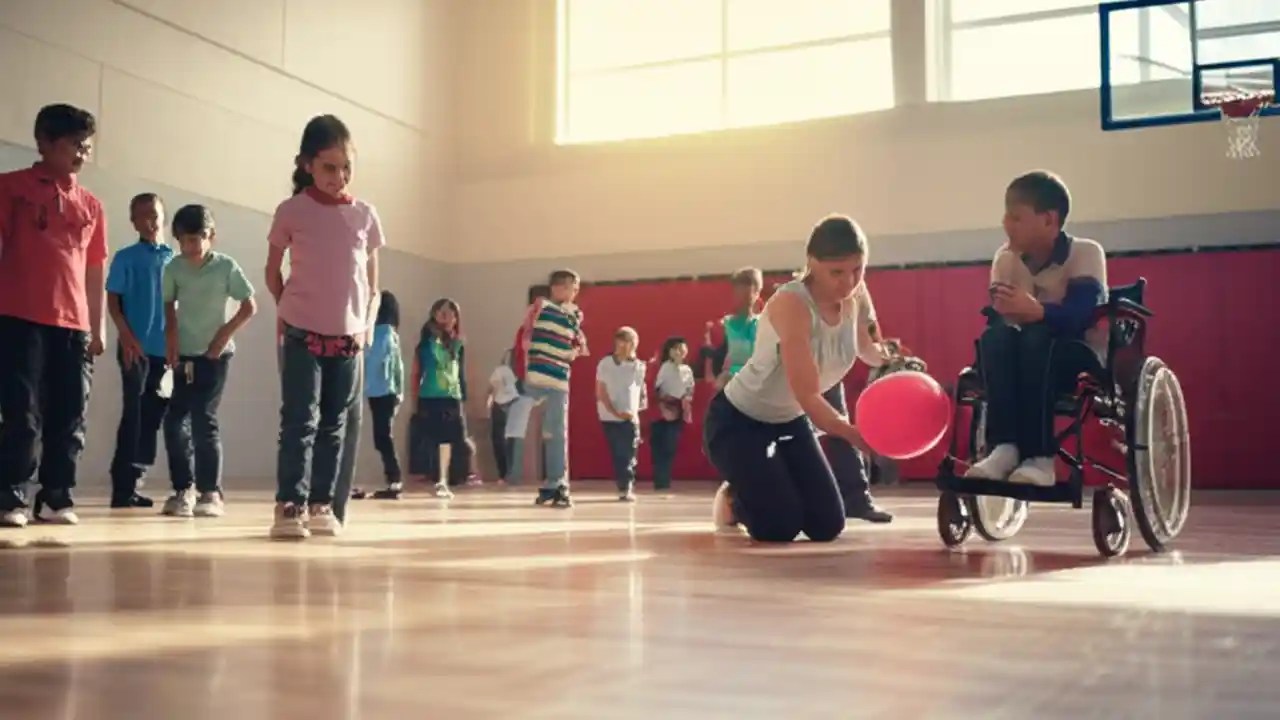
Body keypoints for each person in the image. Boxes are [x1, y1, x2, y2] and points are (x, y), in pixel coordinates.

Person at [703, 215, 898, 543]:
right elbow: (808, 395)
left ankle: (763, 483)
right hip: (738, 423)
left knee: (827, 525)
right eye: (836, 272)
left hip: (789, 423)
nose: (848, 282)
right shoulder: (791, 303)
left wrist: (895, 362)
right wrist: (855, 434)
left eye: (857, 269)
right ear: (811, 263)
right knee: (779, 527)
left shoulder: (857, 295)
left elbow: (868, 349)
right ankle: (736, 499)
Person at [266, 114, 384, 540]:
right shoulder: (291, 211)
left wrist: (363, 325)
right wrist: (292, 309)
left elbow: (372, 283)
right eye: (330, 167)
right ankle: (289, 504)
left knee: (335, 422)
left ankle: (321, 504)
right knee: (300, 419)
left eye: (346, 168)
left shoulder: (365, 215)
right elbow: (271, 271)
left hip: (349, 338)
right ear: (306, 164)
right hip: (301, 334)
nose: (339, 177)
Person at [0, 104, 107, 527]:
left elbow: (96, 267)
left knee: (70, 415)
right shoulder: (11, 188)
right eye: (74, 143)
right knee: (22, 413)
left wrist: (96, 327)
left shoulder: (92, 205)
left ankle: (57, 496)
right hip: (19, 316)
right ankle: (11, 496)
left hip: (73, 325)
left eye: (87, 145)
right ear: (44, 142)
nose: (82, 152)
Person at [965, 171, 1107, 487]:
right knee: (996, 337)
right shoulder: (1006, 258)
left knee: (1037, 337)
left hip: (1076, 357)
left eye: (1016, 217)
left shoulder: (1085, 253)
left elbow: (1081, 315)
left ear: (1049, 220)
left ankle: (1041, 458)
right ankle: (1004, 448)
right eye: (1006, 216)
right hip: (1025, 351)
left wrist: (1039, 311)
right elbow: (1002, 317)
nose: (1006, 224)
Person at [160, 205, 256, 518]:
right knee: (175, 422)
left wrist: (221, 338)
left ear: (210, 236)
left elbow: (248, 306)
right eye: (183, 241)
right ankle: (182, 489)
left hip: (215, 357)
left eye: (196, 239)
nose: (190, 247)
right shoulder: (173, 268)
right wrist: (171, 341)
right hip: (183, 356)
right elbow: (169, 307)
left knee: (204, 419)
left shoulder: (226, 267)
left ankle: (210, 492)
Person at [105, 193, 173, 509]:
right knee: (133, 414)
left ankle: (136, 480)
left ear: (164, 216)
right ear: (133, 221)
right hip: (136, 350)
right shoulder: (125, 257)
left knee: (154, 416)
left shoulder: (175, 258)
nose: (150, 220)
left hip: (166, 352)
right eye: (142, 215)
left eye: (155, 214)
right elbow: (113, 302)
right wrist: (127, 337)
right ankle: (121, 487)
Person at [509, 270, 587, 507]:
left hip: (558, 380)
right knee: (519, 428)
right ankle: (515, 474)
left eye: (575, 289)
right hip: (534, 378)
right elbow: (525, 336)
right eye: (570, 287)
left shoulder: (574, 316)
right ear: (556, 288)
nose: (574, 293)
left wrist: (573, 351)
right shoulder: (541, 308)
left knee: (556, 433)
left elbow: (577, 345)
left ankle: (556, 482)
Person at [408, 298, 473, 498]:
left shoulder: (458, 343)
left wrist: (464, 394)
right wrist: (414, 397)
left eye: (451, 313)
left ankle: (448, 478)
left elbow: (460, 371)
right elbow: (416, 371)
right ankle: (436, 478)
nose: (446, 316)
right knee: (432, 439)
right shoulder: (427, 341)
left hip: (452, 395)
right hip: (430, 395)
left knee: (454, 439)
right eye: (441, 312)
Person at [597, 327, 647, 502]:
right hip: (610, 417)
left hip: (630, 418)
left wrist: (635, 412)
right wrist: (616, 412)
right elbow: (601, 392)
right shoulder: (605, 364)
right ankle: (623, 485)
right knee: (619, 452)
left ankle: (627, 487)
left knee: (629, 453)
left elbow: (640, 391)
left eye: (630, 341)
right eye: (622, 341)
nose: (626, 345)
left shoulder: (639, 366)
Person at [364, 290, 405, 499]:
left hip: (381, 391)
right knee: (382, 437)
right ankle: (394, 480)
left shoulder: (381, 332)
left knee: (382, 437)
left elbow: (375, 359)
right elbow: (399, 366)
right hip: (382, 391)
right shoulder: (391, 333)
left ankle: (394, 480)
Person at [702, 267, 762, 389]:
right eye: (739, 288)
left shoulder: (763, 324)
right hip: (731, 386)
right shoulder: (724, 325)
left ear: (757, 292)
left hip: (757, 386)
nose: (743, 293)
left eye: (749, 287)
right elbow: (713, 362)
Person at [650, 336, 693, 491]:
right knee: (659, 447)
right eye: (675, 349)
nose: (679, 352)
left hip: (678, 411)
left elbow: (689, 390)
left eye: (682, 348)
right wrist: (663, 407)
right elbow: (655, 389)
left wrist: (685, 405)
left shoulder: (687, 370)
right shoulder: (664, 367)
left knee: (670, 447)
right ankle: (660, 481)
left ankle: (664, 481)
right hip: (661, 410)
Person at [487, 349, 519, 482]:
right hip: (514, 403)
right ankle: (512, 472)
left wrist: (487, 404)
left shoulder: (499, 370)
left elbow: (491, 389)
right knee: (512, 440)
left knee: (498, 440)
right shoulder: (520, 374)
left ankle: (503, 473)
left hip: (500, 405)